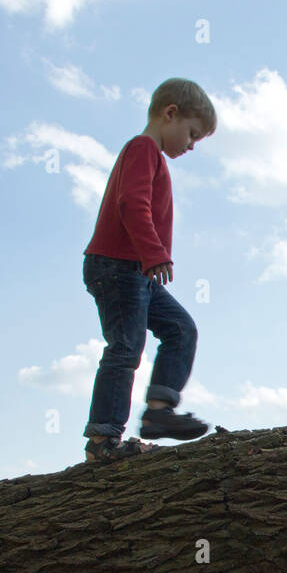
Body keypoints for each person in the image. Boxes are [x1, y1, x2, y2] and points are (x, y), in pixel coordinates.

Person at [81, 77, 216, 462]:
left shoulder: (153, 157)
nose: (191, 145)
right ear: (170, 113)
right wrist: (154, 252)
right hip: (118, 265)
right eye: (191, 134)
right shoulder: (142, 149)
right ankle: (102, 440)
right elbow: (131, 204)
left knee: (180, 328)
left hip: (135, 271)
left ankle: (159, 412)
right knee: (125, 348)